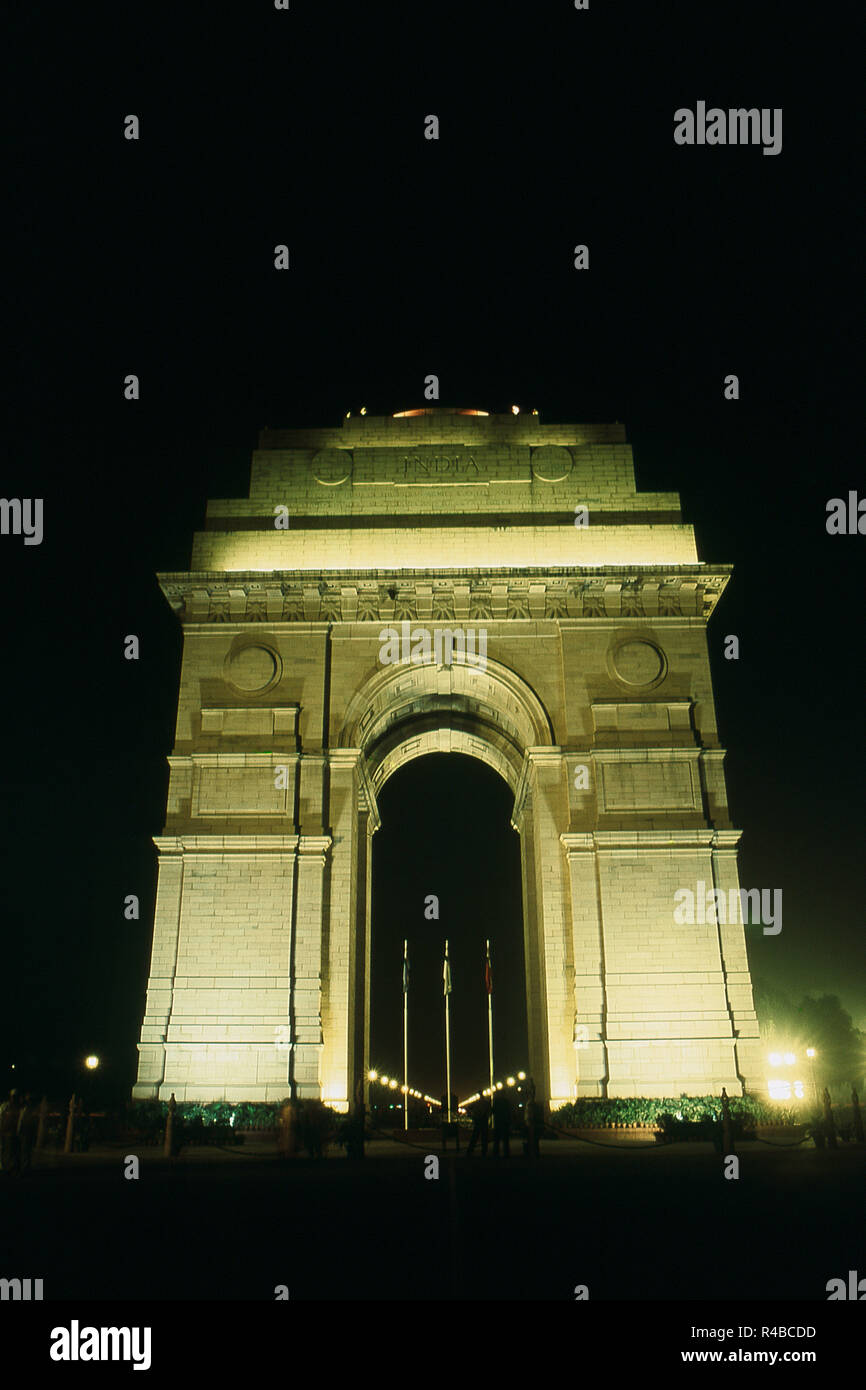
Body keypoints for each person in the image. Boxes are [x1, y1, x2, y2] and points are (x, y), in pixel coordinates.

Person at [0, 1091, 21, 1174]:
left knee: (13, 1151)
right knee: (6, 1150)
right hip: (6, 1132)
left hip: (13, 1133)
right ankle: (6, 1167)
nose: (14, 1098)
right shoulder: (5, 1106)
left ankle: (11, 1167)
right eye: (13, 1096)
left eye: (16, 1096)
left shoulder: (18, 1106)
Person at [17, 1094, 39, 1174]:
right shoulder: (24, 1109)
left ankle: (25, 1168)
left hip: (25, 1132)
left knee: (25, 1151)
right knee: (24, 1151)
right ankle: (24, 1167)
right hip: (24, 1132)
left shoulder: (28, 1110)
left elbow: (27, 1122)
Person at [492, 1088, 511, 1158]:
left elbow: (493, 1111)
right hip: (505, 1122)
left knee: (496, 1139)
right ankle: (506, 1153)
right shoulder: (506, 1102)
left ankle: (495, 1153)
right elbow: (509, 1112)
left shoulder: (496, 1101)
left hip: (498, 1122)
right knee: (505, 1140)